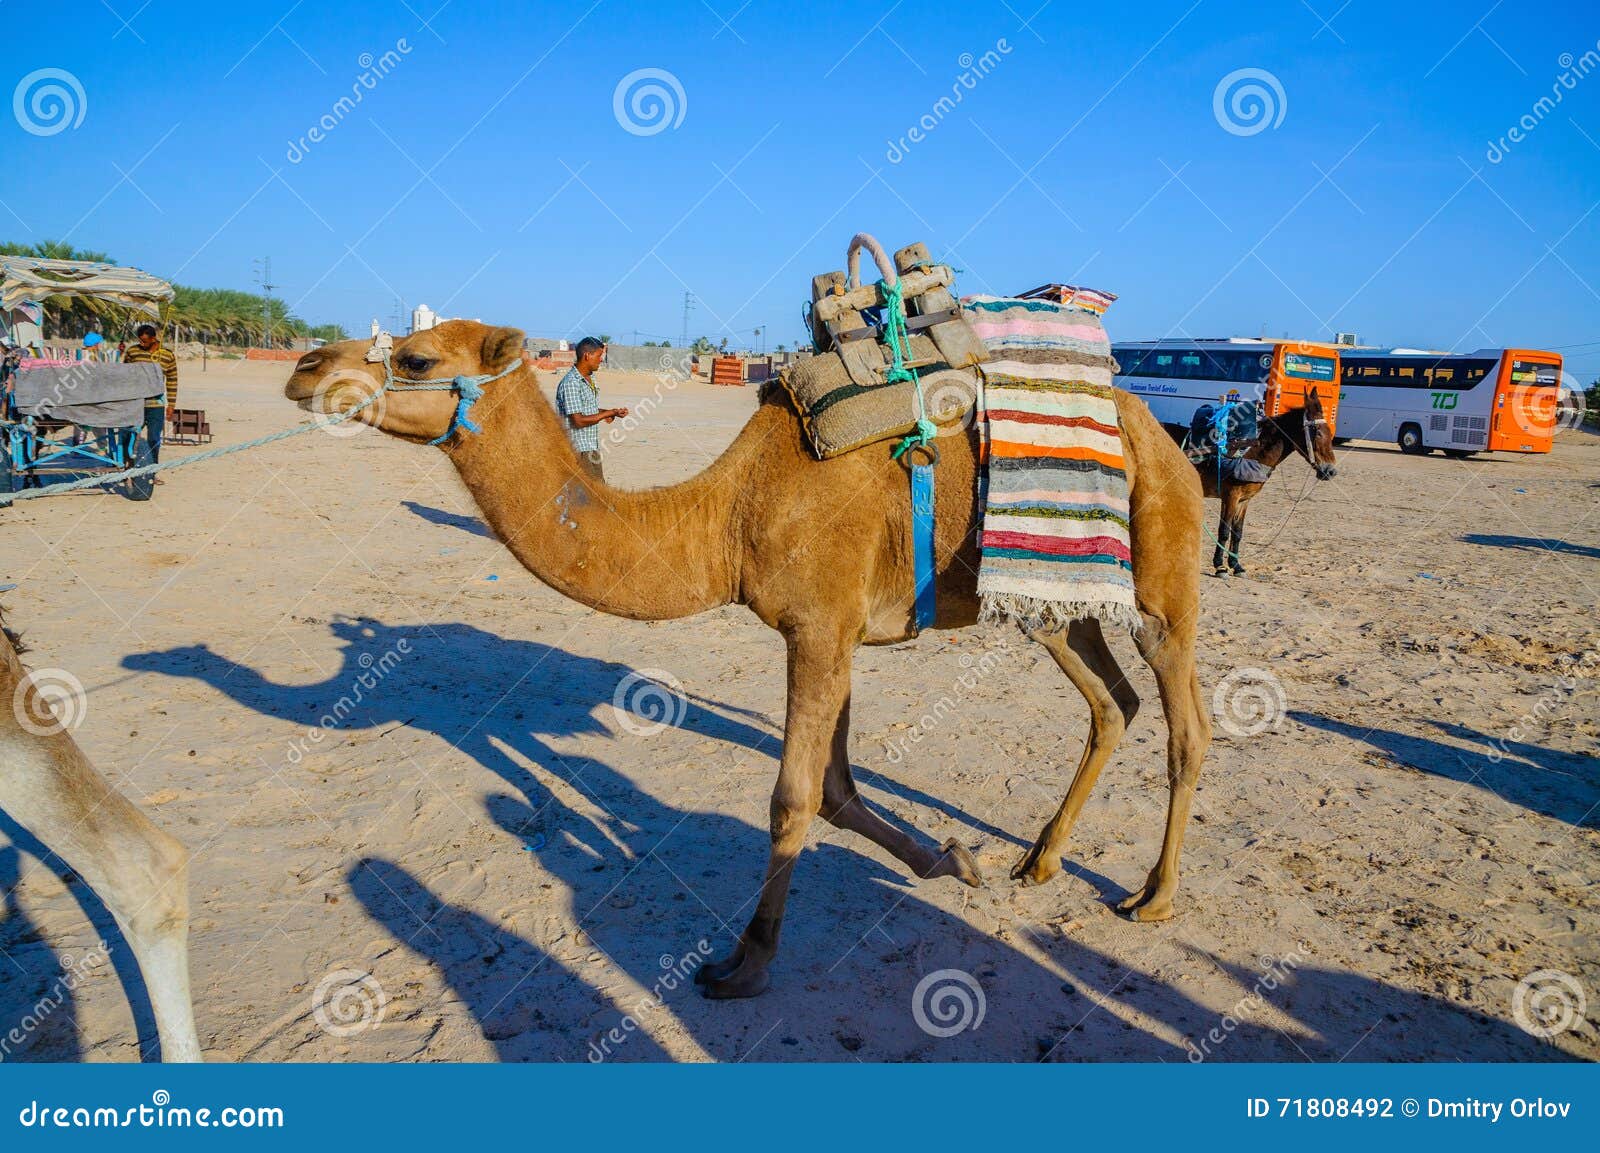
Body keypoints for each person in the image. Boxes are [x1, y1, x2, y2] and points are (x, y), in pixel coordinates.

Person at [554, 337, 627, 481]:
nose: (601, 359)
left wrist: (611, 412)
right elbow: (578, 421)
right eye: (599, 355)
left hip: (591, 447)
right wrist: (608, 413)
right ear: (587, 355)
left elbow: (587, 408)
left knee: (599, 494)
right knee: (585, 498)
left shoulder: (589, 378)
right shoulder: (572, 383)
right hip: (578, 451)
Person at [122, 323, 178, 463]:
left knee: (154, 438)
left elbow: (172, 381)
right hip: (135, 404)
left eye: (144, 341)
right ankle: (127, 467)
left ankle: (152, 469)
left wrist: (171, 405)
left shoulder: (167, 355)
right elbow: (123, 375)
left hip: (156, 405)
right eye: (139, 340)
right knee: (128, 436)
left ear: (154, 339)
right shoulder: (133, 352)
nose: (141, 343)